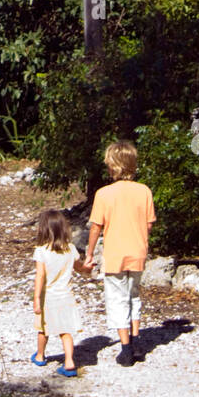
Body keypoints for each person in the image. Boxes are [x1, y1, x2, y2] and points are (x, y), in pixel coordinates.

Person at [84, 140, 156, 367]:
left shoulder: (104, 194)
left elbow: (96, 226)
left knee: (117, 298)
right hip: (138, 251)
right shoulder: (144, 191)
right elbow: (149, 224)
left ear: (112, 166)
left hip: (115, 253)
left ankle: (125, 348)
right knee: (134, 295)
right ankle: (136, 341)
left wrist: (90, 253)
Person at [32, 208, 92, 377]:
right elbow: (80, 269)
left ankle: (40, 355)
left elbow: (40, 277)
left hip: (48, 297)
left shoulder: (41, 251)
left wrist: (36, 298)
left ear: (43, 229)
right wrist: (87, 268)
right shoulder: (70, 249)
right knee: (65, 331)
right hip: (66, 296)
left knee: (43, 327)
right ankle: (70, 362)